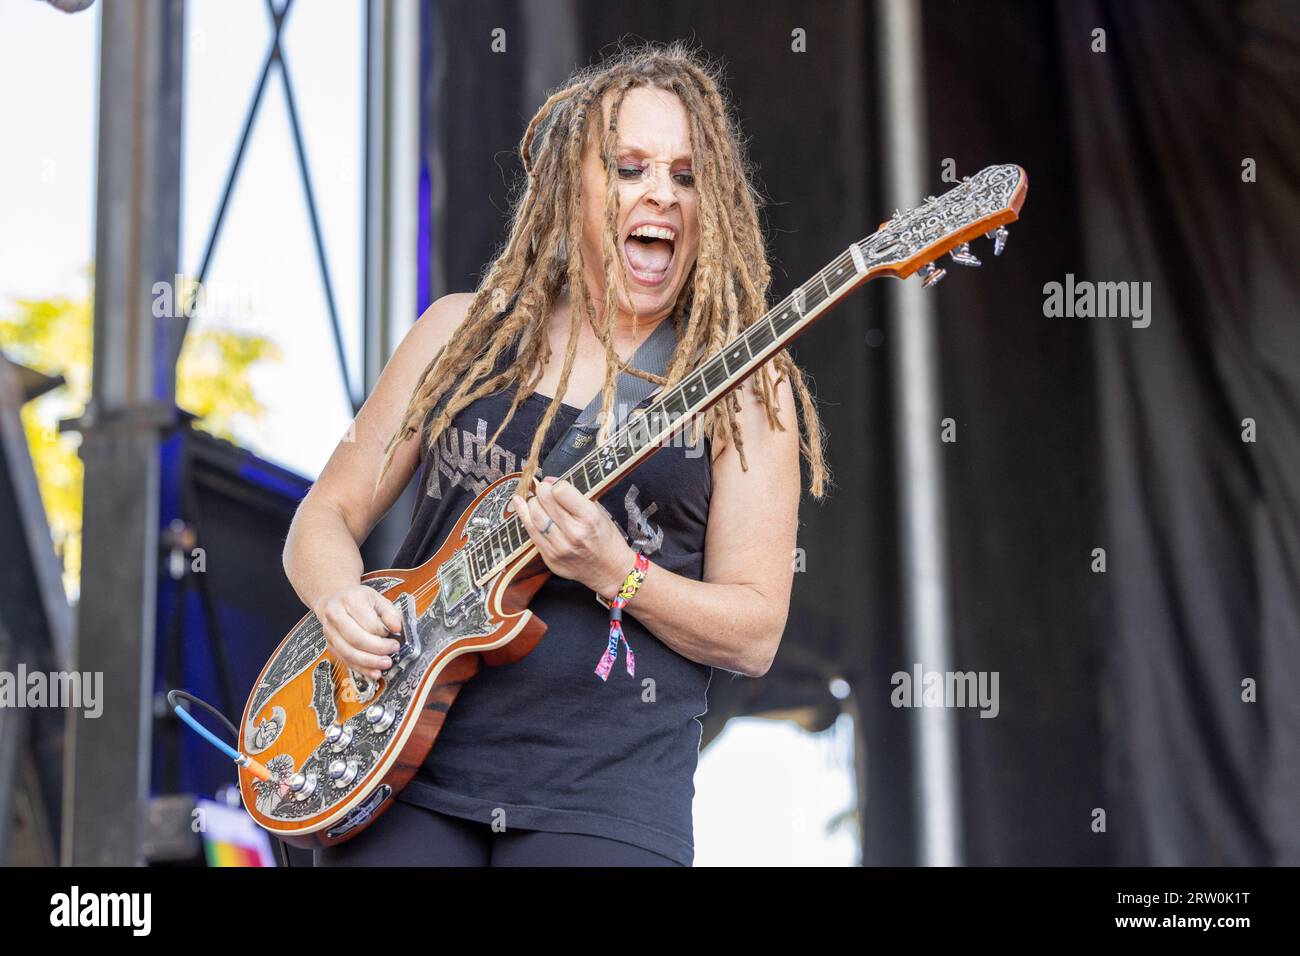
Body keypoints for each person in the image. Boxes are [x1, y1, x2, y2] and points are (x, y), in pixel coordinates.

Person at [284, 40, 828, 867]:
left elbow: (753, 633)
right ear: (573, 186)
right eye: (631, 167)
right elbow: (325, 515)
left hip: (606, 797)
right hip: (403, 766)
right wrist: (339, 600)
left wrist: (618, 571)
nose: (661, 194)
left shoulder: (747, 389)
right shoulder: (459, 333)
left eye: (685, 176)